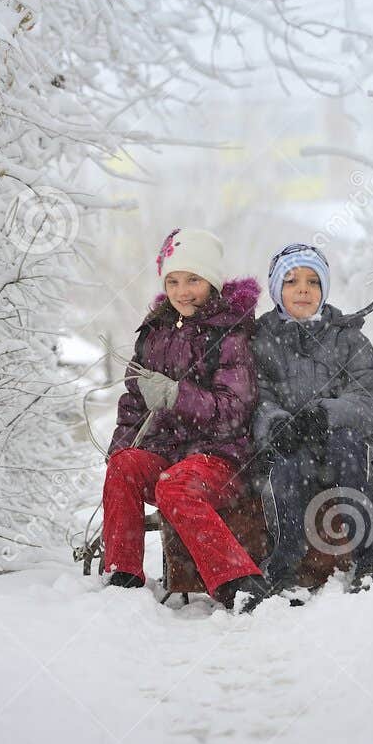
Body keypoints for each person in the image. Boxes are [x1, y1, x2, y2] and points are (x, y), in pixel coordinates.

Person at [102, 227, 269, 612]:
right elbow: (133, 402)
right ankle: (123, 575)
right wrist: (121, 447)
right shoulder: (154, 332)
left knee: (173, 487)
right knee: (124, 465)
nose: (183, 291)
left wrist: (179, 397)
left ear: (211, 280)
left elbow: (234, 409)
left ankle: (238, 582)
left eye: (193, 279)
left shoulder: (231, 333)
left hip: (220, 458)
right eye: (173, 281)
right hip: (167, 453)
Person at [252, 242, 373, 594]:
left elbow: (372, 396)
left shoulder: (347, 338)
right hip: (289, 444)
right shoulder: (259, 339)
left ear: (324, 289)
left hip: (340, 442)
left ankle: (372, 555)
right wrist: (275, 423)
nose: (303, 289)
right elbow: (255, 398)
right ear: (275, 289)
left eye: (313, 281)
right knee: (284, 467)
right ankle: (284, 565)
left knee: (348, 448)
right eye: (291, 281)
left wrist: (325, 416)